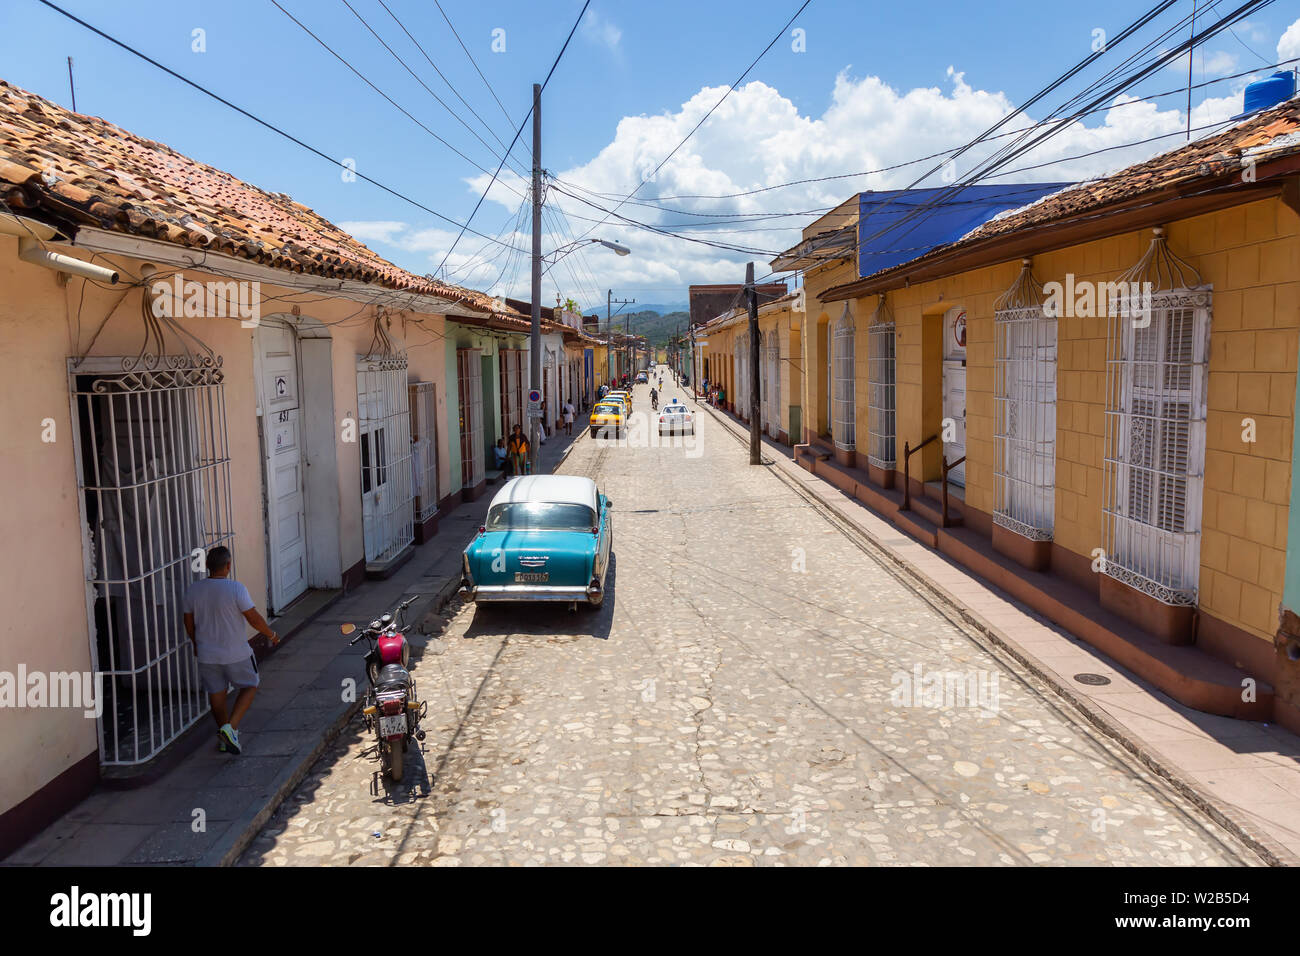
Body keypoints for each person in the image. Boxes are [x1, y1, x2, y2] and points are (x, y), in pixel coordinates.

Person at [184, 546, 278, 755]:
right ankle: (230, 728)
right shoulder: (236, 589)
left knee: (216, 694)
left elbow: (188, 623)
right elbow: (253, 618)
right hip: (236, 653)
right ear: (228, 566)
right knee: (250, 685)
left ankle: (225, 737)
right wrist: (271, 634)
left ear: (207, 566)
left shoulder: (193, 590)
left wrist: (196, 644)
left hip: (207, 654)